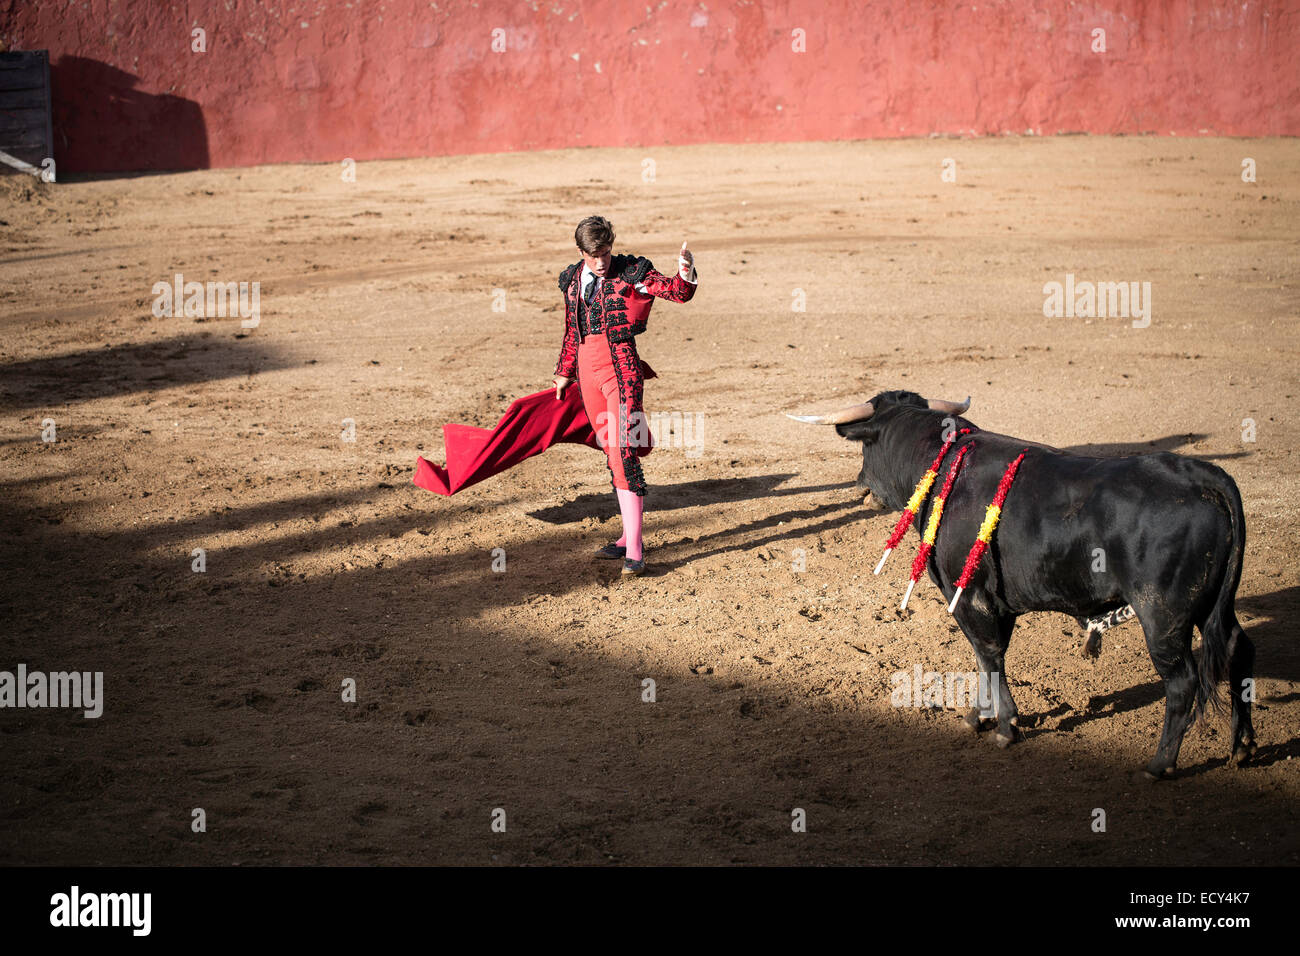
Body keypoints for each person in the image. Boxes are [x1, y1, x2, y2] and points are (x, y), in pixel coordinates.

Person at [552, 215, 697, 575]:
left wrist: (685, 272)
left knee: (624, 452)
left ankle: (634, 549)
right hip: (587, 373)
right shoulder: (572, 279)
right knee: (612, 452)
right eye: (593, 254)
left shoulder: (632, 272)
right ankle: (627, 536)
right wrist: (563, 373)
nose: (600, 261)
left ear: (611, 247)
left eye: (605, 252)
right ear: (581, 252)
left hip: (622, 371)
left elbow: (677, 293)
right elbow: (573, 331)